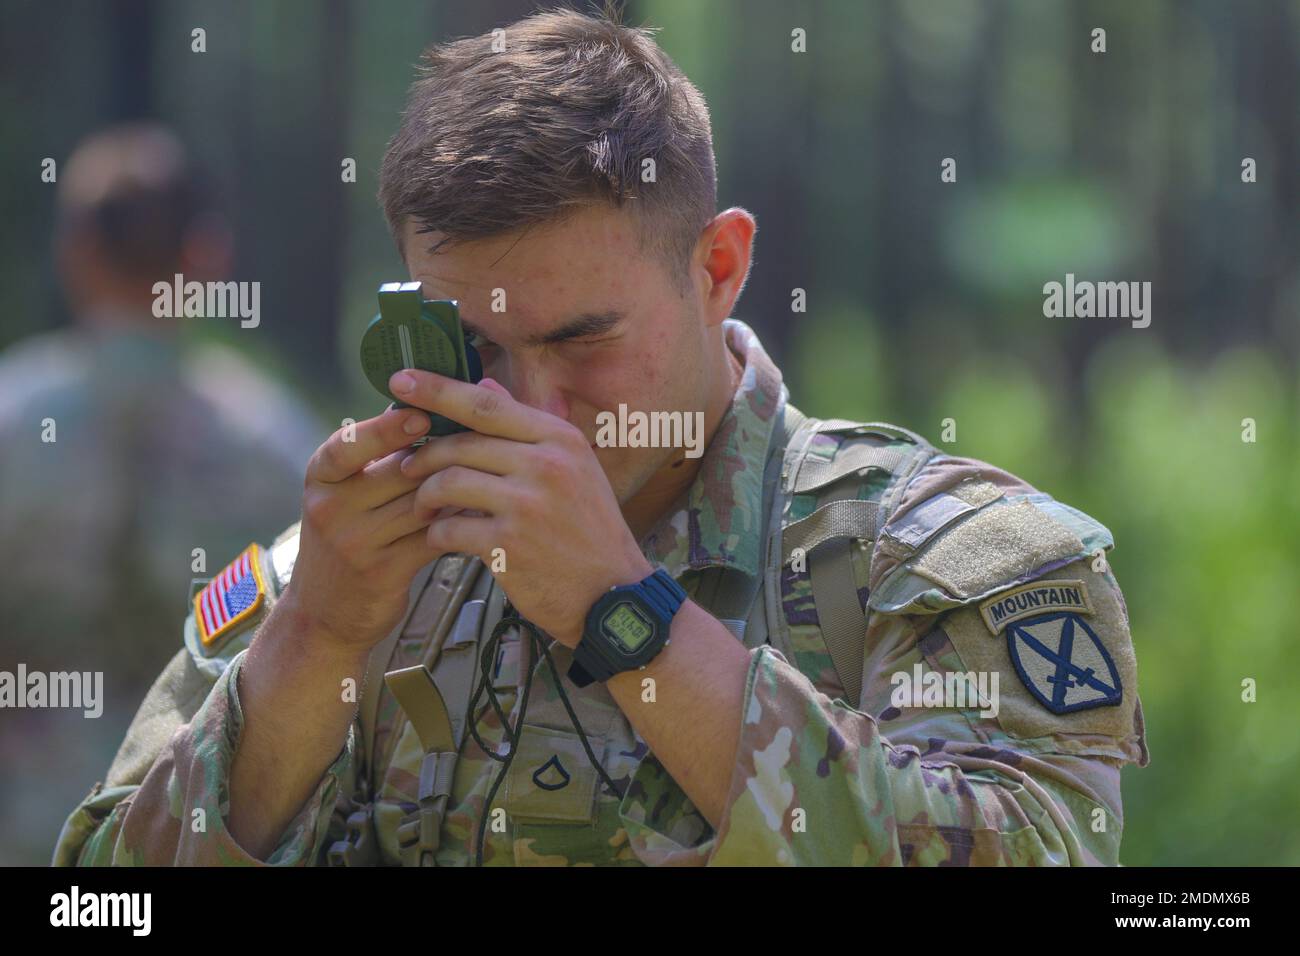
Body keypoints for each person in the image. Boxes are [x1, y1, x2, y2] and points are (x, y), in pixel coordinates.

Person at [53, 8, 1148, 868]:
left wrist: (623, 615)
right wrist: (312, 647)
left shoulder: (937, 561)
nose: (533, 410)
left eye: (584, 340)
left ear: (717, 266)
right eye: (474, 348)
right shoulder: (351, 575)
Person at [0, 123, 320, 865]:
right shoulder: (279, 449)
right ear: (205, 259)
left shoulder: (13, 421)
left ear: (75, 254)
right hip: (180, 826)